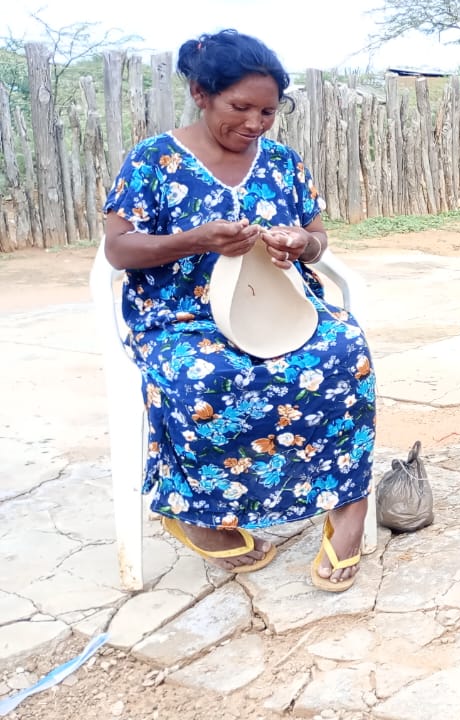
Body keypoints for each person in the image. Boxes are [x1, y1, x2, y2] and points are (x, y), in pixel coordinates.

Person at [102, 30, 376, 593]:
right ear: (201, 94)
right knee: (204, 378)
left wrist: (300, 244)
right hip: (181, 316)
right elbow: (119, 248)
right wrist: (196, 240)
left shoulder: (281, 162)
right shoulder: (153, 160)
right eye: (240, 107)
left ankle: (348, 503)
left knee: (345, 353)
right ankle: (195, 512)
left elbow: (319, 238)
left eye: (269, 111)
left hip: (280, 304)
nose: (254, 123)